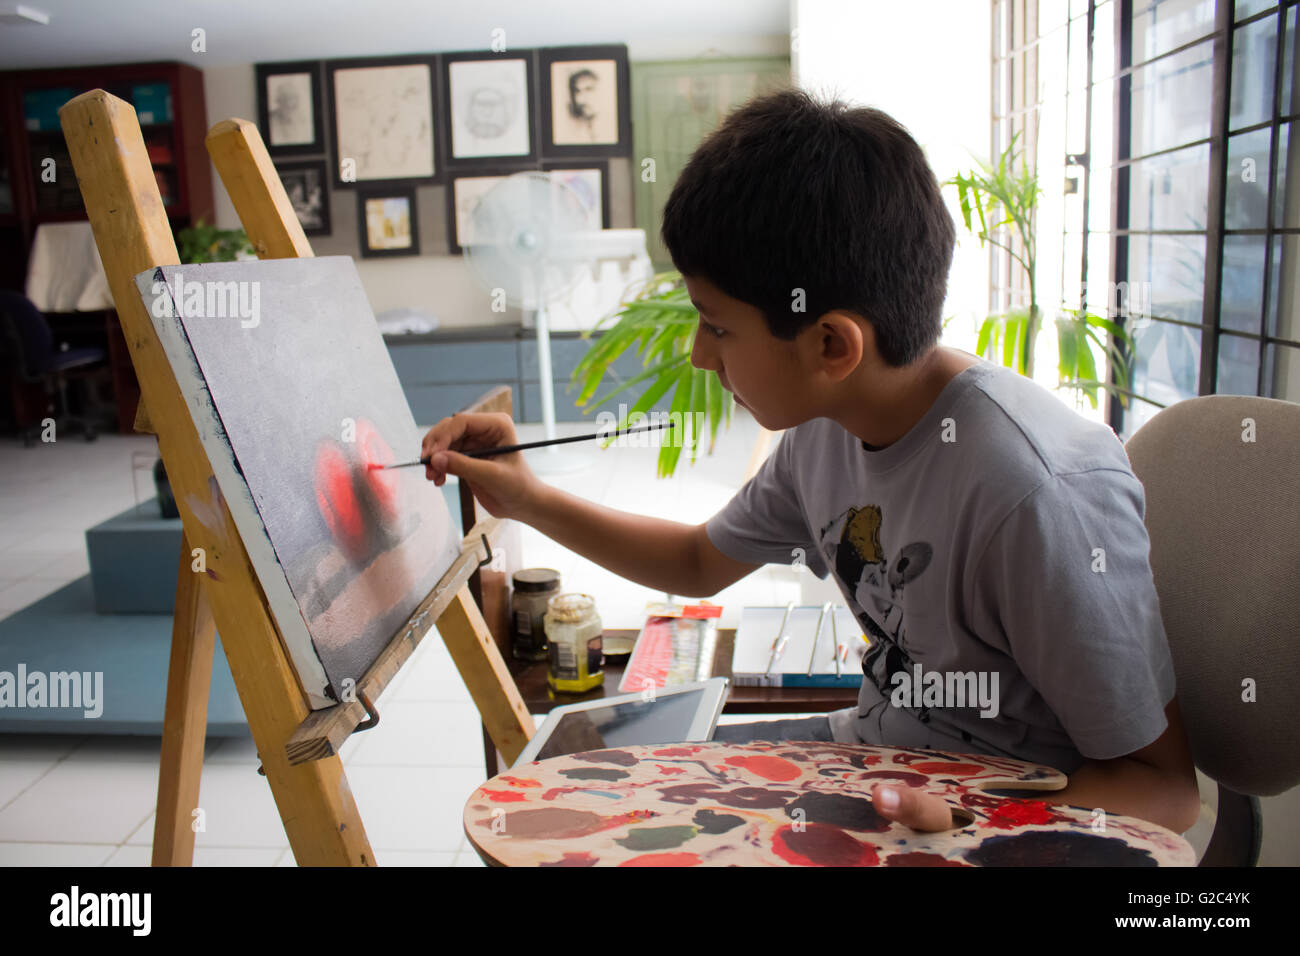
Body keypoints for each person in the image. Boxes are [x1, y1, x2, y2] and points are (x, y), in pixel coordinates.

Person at [420, 88, 1200, 837]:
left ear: (832, 344)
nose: (697, 356)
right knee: (583, 791)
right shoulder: (827, 425)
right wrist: (525, 498)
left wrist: (972, 825)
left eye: (717, 328)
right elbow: (696, 561)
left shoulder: (1035, 495)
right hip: (875, 759)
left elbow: (1161, 788)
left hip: (987, 819)